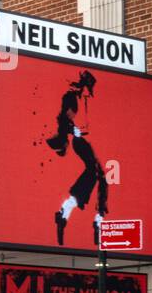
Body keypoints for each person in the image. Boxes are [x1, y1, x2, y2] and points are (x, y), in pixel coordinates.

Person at [46, 70, 108, 247]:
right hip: (80, 141)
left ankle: (74, 211)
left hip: (88, 139)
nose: (90, 88)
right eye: (88, 84)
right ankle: (97, 218)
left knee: (100, 175)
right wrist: (74, 131)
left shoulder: (84, 98)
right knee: (97, 172)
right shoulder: (72, 97)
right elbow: (63, 119)